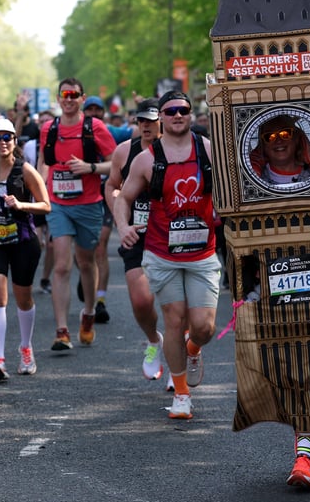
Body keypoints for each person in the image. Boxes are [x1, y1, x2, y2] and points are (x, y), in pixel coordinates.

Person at [112, 90, 220, 420]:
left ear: (190, 114)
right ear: (162, 116)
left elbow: (232, 190)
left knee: (203, 327)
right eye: (170, 111)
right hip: (162, 253)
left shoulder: (207, 150)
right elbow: (122, 197)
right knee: (174, 320)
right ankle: (182, 394)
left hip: (203, 252)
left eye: (182, 110)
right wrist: (123, 226)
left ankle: (192, 349)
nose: (177, 115)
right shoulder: (146, 159)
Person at [37, 79, 116, 351]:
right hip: (58, 204)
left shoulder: (95, 128)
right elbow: (43, 163)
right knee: (61, 264)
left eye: (74, 95)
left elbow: (115, 163)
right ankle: (62, 331)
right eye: (64, 95)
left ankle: (89, 312)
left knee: (86, 262)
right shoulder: (48, 129)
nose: (68, 99)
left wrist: (90, 167)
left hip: (88, 204)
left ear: (82, 99)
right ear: (58, 99)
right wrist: (41, 194)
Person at [0, 117, 51, 380]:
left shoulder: (26, 171)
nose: (2, 142)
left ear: (14, 141)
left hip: (22, 241)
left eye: (6, 137)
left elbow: (45, 205)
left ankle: (25, 347)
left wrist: (22, 206)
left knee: (23, 298)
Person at [105, 99, 170, 381]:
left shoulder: (176, 151)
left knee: (175, 304)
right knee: (142, 301)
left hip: (171, 234)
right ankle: (154, 340)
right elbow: (111, 185)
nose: (146, 126)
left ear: (162, 121)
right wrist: (121, 220)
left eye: (151, 120)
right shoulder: (124, 152)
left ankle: (179, 365)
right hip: (137, 234)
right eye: (141, 121)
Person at [82, 95, 115, 322]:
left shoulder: (113, 131)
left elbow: (138, 134)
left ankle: (100, 300)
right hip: (81, 199)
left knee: (101, 246)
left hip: (104, 197)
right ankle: (87, 274)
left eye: (98, 109)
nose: (94, 113)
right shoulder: (74, 132)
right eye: (89, 109)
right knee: (85, 253)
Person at [249, 114, 310, 185]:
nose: (278, 140)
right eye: (269, 136)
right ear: (263, 145)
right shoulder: (250, 180)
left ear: (296, 138)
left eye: (285, 133)